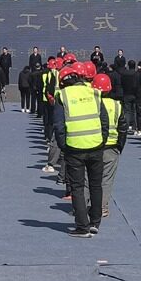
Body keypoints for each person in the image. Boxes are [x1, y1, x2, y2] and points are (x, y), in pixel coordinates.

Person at [54, 63, 110, 237]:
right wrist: (101, 141)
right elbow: (105, 121)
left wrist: (64, 146)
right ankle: (95, 222)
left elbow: (58, 125)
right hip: (95, 145)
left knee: (78, 188)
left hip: (74, 148)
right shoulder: (94, 92)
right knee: (96, 185)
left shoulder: (62, 96)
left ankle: (82, 226)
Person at [95, 70, 128, 214]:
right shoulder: (117, 105)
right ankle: (102, 207)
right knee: (106, 178)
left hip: (93, 145)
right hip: (112, 146)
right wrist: (120, 146)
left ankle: (84, 205)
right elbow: (123, 128)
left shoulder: (92, 103)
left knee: (89, 177)